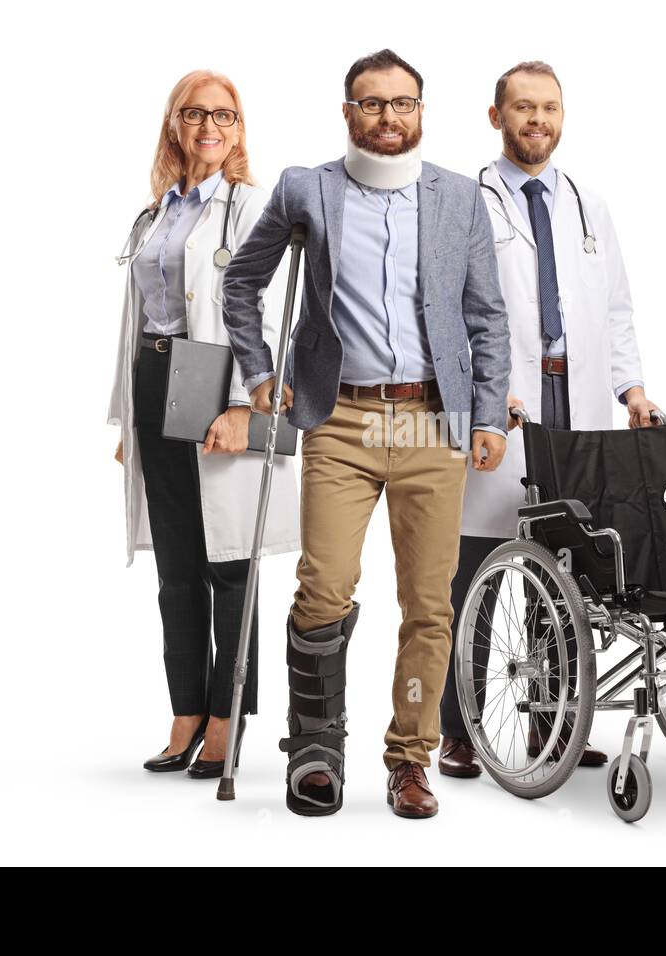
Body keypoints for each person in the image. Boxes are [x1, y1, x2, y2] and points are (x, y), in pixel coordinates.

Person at [222, 49, 510, 818]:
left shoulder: (457, 198)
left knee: (428, 603)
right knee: (324, 588)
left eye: (403, 103)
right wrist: (257, 374)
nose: (389, 116)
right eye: (373, 104)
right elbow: (242, 282)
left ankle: (409, 759)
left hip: (432, 419)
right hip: (339, 416)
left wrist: (485, 414)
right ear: (348, 112)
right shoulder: (305, 189)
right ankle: (315, 747)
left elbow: (486, 315)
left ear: (422, 110)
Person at [437, 60, 660, 779]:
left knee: (564, 574)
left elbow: (617, 311)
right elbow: (442, 312)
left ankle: (550, 727)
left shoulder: (590, 205)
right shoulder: (465, 204)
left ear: (562, 117)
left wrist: (630, 391)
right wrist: (480, 389)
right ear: (496, 116)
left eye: (550, 109)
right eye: (524, 108)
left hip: (578, 404)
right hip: (501, 410)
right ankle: (459, 729)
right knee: (477, 576)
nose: (538, 120)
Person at [108, 69, 298, 777]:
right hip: (159, 377)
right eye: (194, 114)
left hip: (217, 378)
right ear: (174, 125)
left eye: (224, 115)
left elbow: (268, 308)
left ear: (239, 129)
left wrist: (250, 402)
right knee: (177, 566)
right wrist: (130, 417)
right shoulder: (157, 212)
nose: (209, 126)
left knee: (227, 561)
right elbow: (139, 318)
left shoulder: (250, 207)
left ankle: (226, 719)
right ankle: (184, 711)